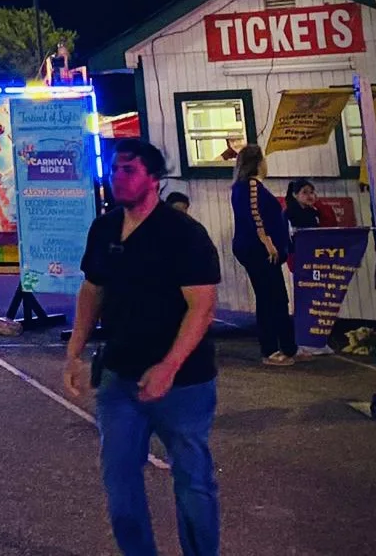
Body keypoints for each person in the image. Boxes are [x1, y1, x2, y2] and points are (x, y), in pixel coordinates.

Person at [64, 139, 221, 556]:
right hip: (120, 377)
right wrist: (74, 351)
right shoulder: (105, 228)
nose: (118, 177)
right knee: (119, 483)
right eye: (114, 169)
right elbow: (92, 291)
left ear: (153, 178)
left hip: (184, 383)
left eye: (129, 170)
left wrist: (168, 367)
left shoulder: (183, 234)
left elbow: (202, 308)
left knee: (193, 483)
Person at [228, 146, 294, 366]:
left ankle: (287, 346)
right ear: (258, 162)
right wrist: (268, 243)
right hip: (259, 250)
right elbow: (255, 215)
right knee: (269, 297)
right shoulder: (251, 186)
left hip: (259, 249)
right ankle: (271, 349)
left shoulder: (243, 187)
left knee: (276, 297)